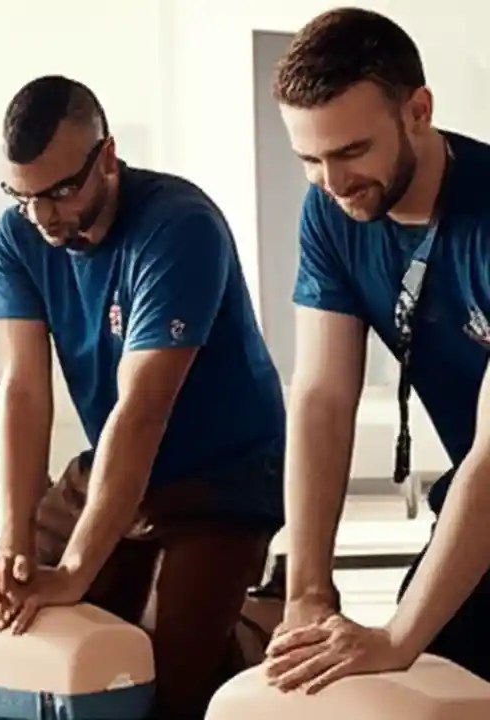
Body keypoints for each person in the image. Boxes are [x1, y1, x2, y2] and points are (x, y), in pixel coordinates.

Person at [0, 75, 287, 719]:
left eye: (60, 190)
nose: (43, 216)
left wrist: (78, 569)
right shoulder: (20, 235)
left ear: (108, 158)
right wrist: (14, 543)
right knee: (20, 611)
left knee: (170, 688)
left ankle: (258, 622)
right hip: (112, 465)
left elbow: (144, 409)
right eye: (22, 195)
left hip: (222, 476)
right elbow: (24, 392)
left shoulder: (179, 227)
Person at [264, 8, 490, 692]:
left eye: (351, 151)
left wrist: (395, 637)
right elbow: (322, 396)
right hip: (476, 489)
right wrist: (307, 589)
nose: (332, 182)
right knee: (435, 668)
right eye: (310, 159)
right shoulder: (331, 213)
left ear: (417, 110)